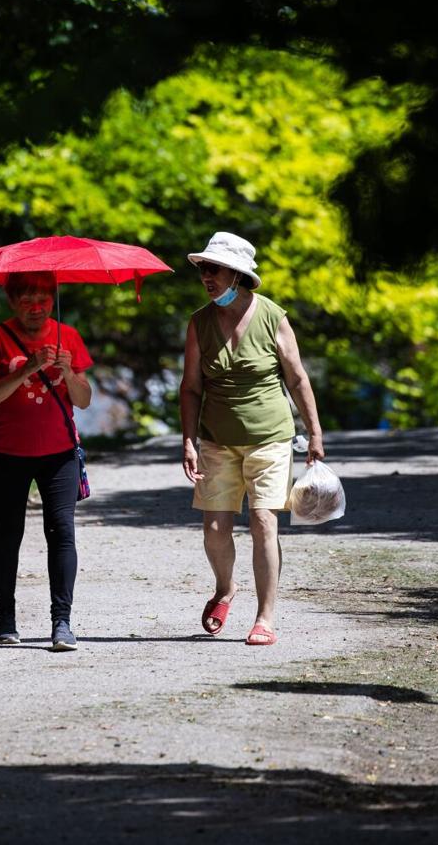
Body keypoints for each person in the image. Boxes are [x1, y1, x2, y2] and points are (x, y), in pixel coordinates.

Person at [179, 232, 325, 646]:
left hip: (271, 439)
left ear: (237, 275)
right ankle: (225, 588)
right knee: (215, 528)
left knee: (263, 520)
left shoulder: (272, 317)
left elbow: (297, 377)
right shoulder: (199, 323)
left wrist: (314, 431)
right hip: (216, 440)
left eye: (215, 269)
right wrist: (188, 440)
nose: (206, 276)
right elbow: (190, 387)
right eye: (203, 269)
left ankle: (265, 617)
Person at [0, 271, 93, 652]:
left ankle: (62, 623)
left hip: (59, 453)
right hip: (8, 452)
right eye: (26, 300)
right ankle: (5, 622)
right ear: (12, 302)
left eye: (43, 299)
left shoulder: (67, 336)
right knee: (8, 536)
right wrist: (26, 368)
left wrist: (68, 373)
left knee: (61, 533)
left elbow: (84, 398)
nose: (36, 307)